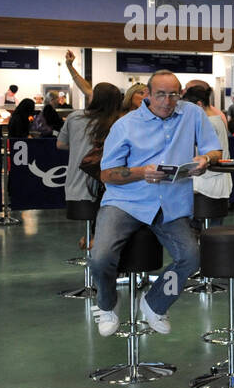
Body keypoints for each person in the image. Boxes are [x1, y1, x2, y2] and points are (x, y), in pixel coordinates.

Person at [89, 71, 222, 336]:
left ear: (181, 94)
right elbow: (107, 173)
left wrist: (205, 160)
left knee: (191, 258)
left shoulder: (192, 115)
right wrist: (141, 172)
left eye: (173, 94)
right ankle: (106, 304)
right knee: (101, 256)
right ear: (147, 95)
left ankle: (155, 302)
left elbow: (215, 150)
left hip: (171, 202)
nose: (167, 101)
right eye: (160, 94)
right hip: (126, 201)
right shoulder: (126, 125)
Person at [57, 83, 123, 237]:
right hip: (108, 184)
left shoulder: (75, 117)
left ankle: (90, 242)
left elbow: (60, 144)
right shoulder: (118, 122)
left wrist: (79, 147)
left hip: (76, 184)